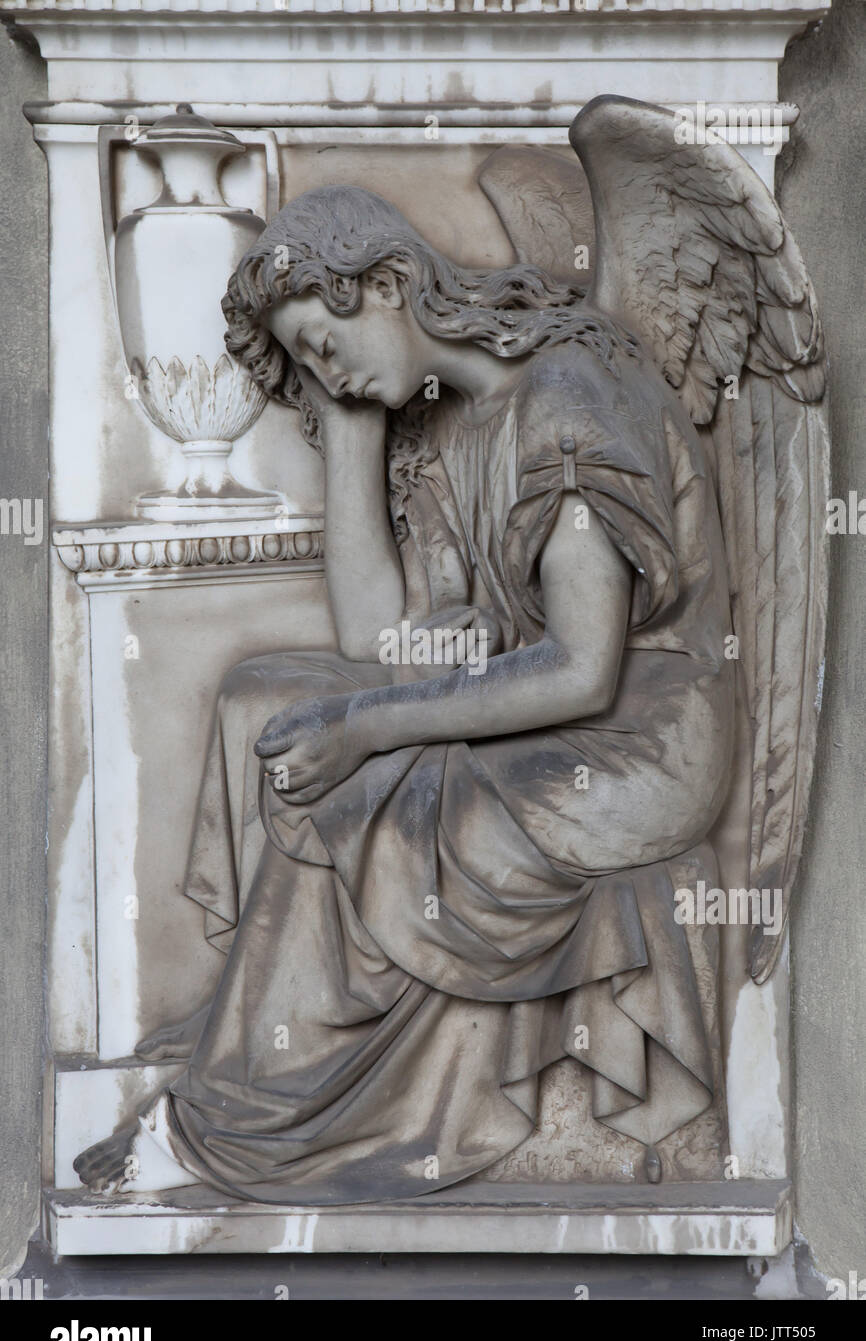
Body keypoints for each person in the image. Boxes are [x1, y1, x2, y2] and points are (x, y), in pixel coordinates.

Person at [75, 186, 734, 1202]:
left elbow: (579, 668)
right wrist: (348, 425)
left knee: (363, 775)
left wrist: (371, 721)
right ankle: (273, 1028)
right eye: (304, 362)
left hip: (635, 740)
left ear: (388, 283)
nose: (324, 370)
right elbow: (367, 636)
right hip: (547, 707)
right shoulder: (445, 420)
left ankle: (248, 1113)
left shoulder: (562, 400)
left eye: (326, 343)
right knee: (263, 695)